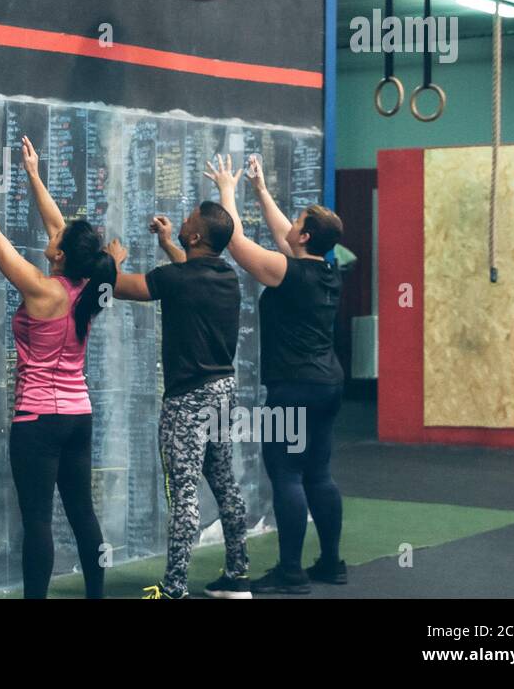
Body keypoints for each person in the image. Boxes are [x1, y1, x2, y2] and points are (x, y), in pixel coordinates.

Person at [0, 137, 114, 599]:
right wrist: (34, 175)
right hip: (79, 416)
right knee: (83, 514)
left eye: (54, 239)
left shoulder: (44, 290)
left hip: (38, 421)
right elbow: (62, 226)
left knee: (38, 519)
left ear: (59, 255)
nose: (49, 234)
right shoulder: (89, 284)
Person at [205, 153, 346, 595]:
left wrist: (228, 189)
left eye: (298, 220)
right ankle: (330, 563)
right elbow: (289, 236)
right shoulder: (326, 269)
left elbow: (235, 242)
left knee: (285, 473)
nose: (291, 223)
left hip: (294, 388)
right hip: (329, 385)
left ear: (304, 235)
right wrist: (261, 189)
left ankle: (290, 572)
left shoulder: (287, 272)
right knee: (319, 473)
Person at [107, 203, 252, 600]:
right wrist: (168, 242)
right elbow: (185, 275)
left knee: (184, 490)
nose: (182, 221)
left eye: (187, 222)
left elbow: (120, 287)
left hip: (188, 399)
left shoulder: (178, 279)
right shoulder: (227, 276)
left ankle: (173, 589)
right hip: (223, 392)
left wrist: (110, 261)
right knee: (225, 484)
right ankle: (238, 576)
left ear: (196, 237)